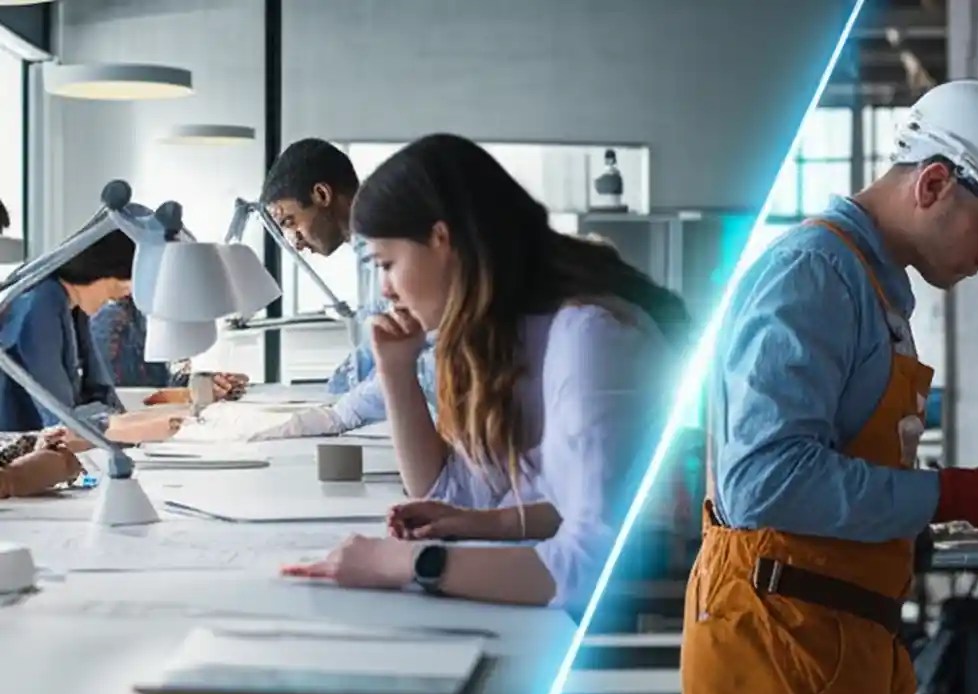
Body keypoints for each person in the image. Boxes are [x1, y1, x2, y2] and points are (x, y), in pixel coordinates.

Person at [680, 78, 978, 694]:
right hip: (781, 643)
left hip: (839, 632)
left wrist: (933, 510)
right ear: (934, 185)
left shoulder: (871, 287)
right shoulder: (815, 274)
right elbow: (761, 480)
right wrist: (957, 495)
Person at [280, 133, 689, 611]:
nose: (387, 290)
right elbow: (450, 490)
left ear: (441, 239)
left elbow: (593, 564)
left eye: (388, 264)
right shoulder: (503, 339)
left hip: (631, 618)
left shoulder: (589, 336)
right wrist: (396, 370)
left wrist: (409, 563)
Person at [248, 138, 436, 439]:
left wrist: (341, 413)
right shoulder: (367, 251)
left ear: (322, 194)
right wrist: (328, 398)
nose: (295, 241)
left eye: (290, 221)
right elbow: (373, 352)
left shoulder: (396, 243)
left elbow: (431, 360)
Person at [0, 229, 133, 432]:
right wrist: (128, 427)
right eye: (118, 288)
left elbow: (100, 391)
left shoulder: (70, 307)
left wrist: (130, 421)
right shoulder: (39, 303)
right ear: (102, 269)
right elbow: (59, 416)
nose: (123, 295)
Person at [89, 295, 248, 400]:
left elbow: (167, 381)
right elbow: (121, 400)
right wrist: (189, 395)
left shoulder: (147, 315)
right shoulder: (110, 320)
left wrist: (209, 384)